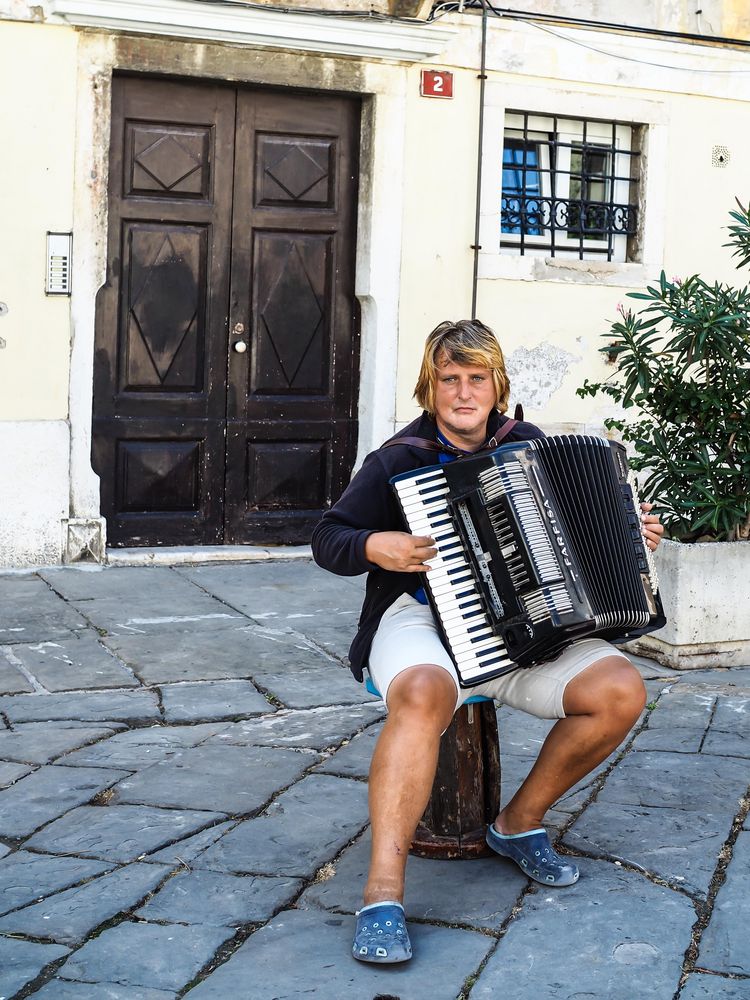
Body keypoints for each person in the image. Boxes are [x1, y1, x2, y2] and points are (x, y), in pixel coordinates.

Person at [311, 319, 664, 965]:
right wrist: (373, 544)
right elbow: (328, 539)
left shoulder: (525, 443)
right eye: (451, 379)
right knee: (421, 694)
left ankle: (517, 823)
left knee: (620, 691)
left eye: (478, 378)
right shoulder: (398, 460)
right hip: (420, 620)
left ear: (497, 384)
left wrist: (626, 528)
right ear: (431, 386)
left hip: (519, 628)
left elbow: (571, 534)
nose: (465, 392)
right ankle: (383, 893)